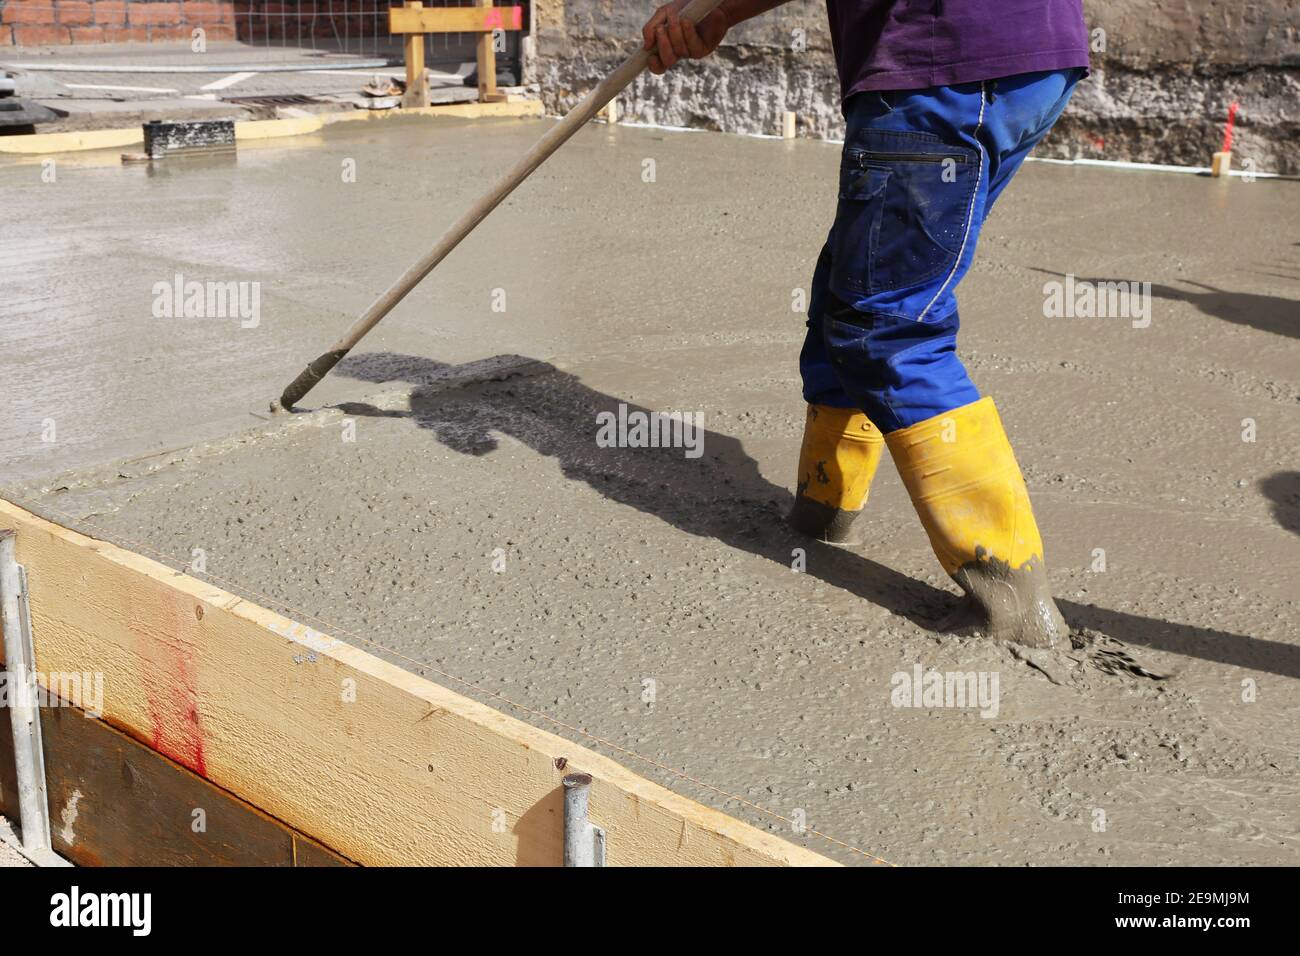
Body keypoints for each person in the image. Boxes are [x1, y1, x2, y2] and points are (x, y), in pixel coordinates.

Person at [642, 0, 1090, 647]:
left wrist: (712, 15)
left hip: (945, 57)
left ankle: (1014, 607)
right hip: (1010, 51)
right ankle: (822, 510)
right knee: (851, 291)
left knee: (888, 322)